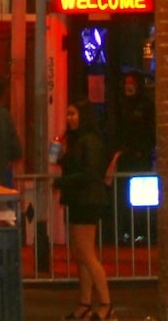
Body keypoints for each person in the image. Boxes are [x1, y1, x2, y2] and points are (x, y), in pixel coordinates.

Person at [56, 102, 113, 321]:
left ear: (83, 116)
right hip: (79, 199)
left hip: (87, 200)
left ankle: (106, 303)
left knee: (87, 254)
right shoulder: (78, 141)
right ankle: (85, 302)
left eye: (73, 114)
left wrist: (63, 181)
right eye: (67, 114)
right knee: (81, 254)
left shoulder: (90, 141)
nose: (69, 118)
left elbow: (90, 172)